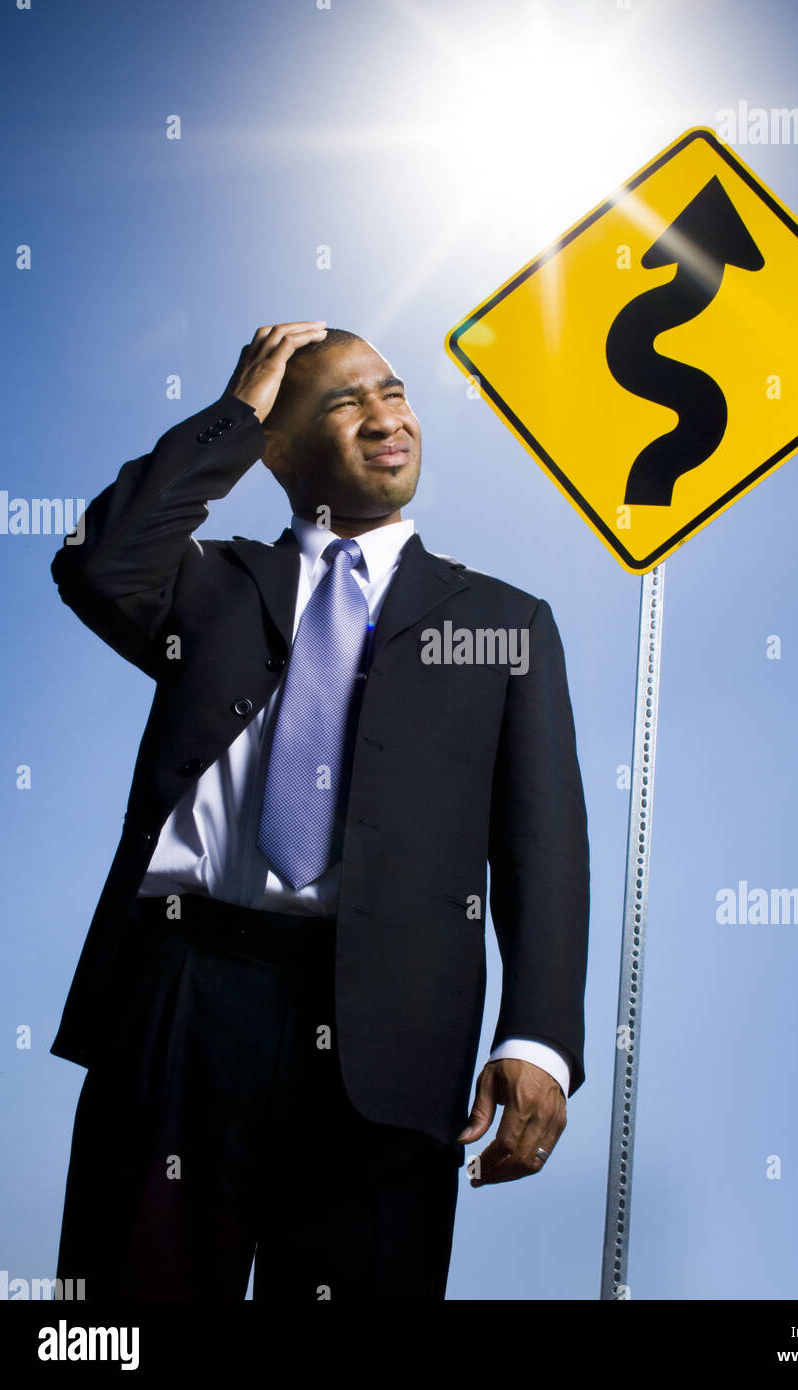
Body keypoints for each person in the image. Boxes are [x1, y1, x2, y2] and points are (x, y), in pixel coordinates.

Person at [50, 321, 590, 1300]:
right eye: (345, 401)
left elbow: (541, 847)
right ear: (280, 449)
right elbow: (98, 562)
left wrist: (535, 1037)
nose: (386, 416)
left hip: (393, 1036)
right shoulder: (207, 585)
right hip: (183, 999)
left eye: (391, 389)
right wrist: (237, 405)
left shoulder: (504, 625)